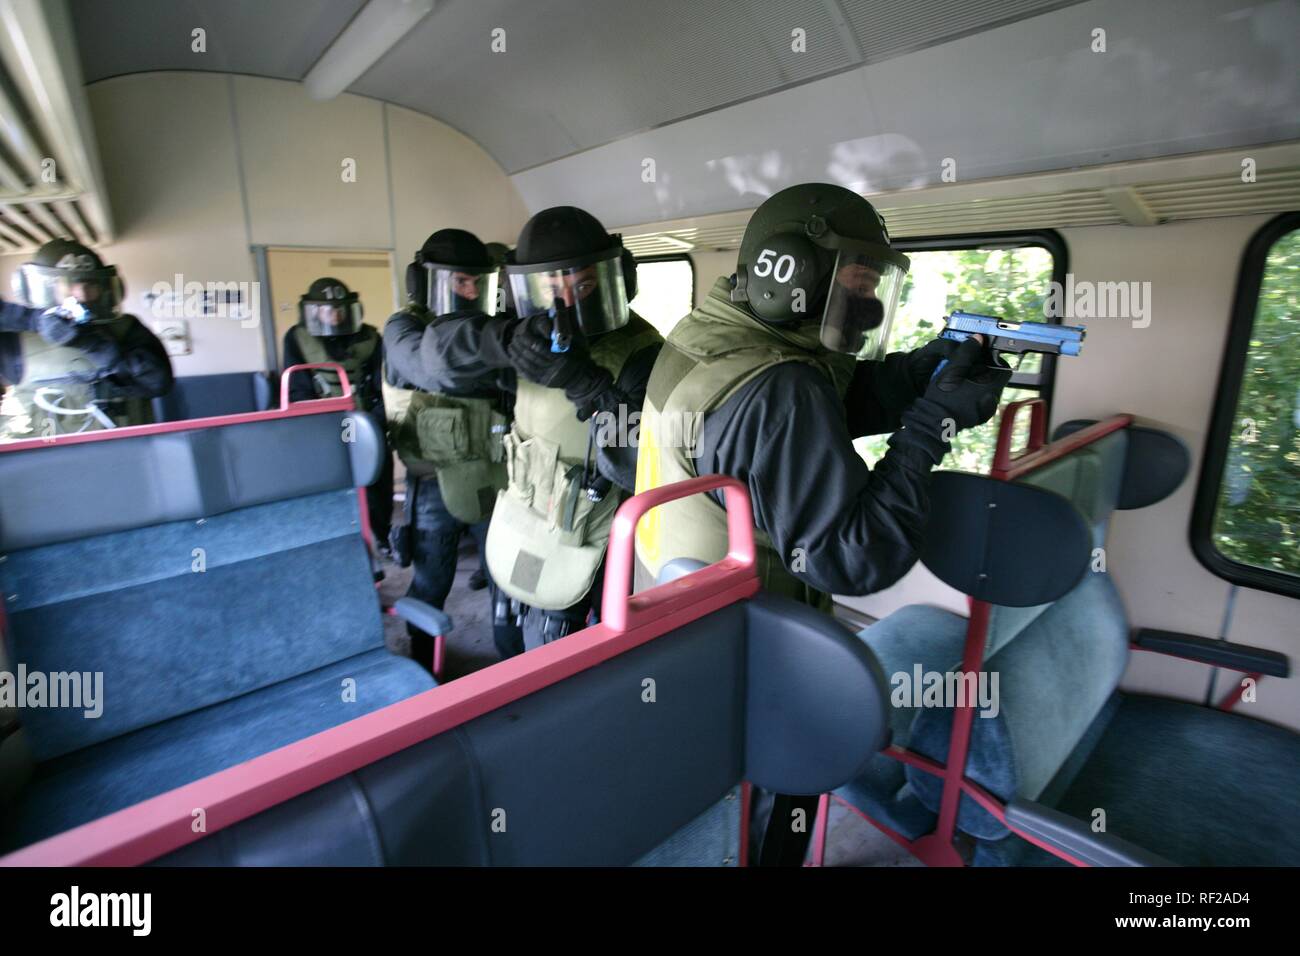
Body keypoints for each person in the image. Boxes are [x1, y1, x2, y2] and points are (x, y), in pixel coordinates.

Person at [632, 182, 1012, 864]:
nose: (864, 305)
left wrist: (919, 377)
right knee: (778, 805)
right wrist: (934, 425)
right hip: (760, 646)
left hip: (680, 615)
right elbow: (854, 558)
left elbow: (809, 411)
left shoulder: (712, 334)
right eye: (853, 283)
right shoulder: (781, 387)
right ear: (792, 274)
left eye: (871, 285)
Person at [385, 207, 663, 651]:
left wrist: (585, 385)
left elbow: (644, 466)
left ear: (619, 279)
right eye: (551, 289)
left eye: (585, 285)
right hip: (527, 526)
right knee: (510, 638)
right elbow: (435, 362)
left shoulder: (643, 354)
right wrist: (504, 341)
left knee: (569, 657)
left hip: (597, 547)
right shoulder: (532, 342)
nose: (567, 304)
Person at [382, 229, 521, 667]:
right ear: (426, 281)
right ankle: (422, 665)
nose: (471, 290)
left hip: (494, 478)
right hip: (434, 482)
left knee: (507, 577)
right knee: (432, 579)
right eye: (460, 281)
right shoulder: (403, 328)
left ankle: (514, 662)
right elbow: (434, 369)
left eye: (478, 281)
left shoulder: (492, 330)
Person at [1, 238, 172, 441]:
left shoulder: (127, 329)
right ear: (46, 287)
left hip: (126, 455)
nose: (82, 295)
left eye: (90, 285)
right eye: (70, 285)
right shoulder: (16, 338)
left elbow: (158, 383)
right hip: (42, 462)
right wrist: (35, 321)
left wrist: (97, 347)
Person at [281, 277, 393, 545]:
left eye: (341, 308)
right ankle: (340, 543)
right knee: (334, 490)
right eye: (328, 309)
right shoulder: (297, 339)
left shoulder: (370, 337)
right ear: (314, 311)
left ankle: (382, 537)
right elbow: (297, 389)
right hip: (323, 427)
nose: (335, 314)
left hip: (367, 424)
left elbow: (383, 385)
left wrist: (377, 421)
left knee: (376, 484)